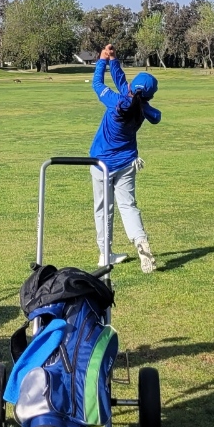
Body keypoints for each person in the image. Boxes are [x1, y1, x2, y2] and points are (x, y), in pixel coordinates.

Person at [89, 44, 161, 272]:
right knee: (128, 206)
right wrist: (113, 60)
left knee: (103, 209)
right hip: (128, 163)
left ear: (131, 88)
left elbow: (97, 85)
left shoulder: (117, 102)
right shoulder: (144, 109)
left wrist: (102, 61)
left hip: (102, 164)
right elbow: (126, 87)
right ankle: (140, 241)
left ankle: (105, 253)